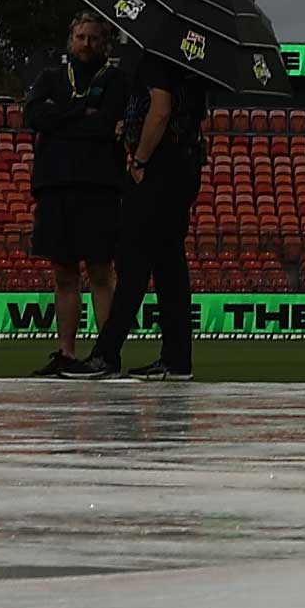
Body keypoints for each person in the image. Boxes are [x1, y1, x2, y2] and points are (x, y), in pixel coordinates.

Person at [94, 34, 211, 378]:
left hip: (159, 170)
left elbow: (160, 110)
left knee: (134, 261)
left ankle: (107, 354)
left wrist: (139, 160)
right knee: (169, 266)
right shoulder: (193, 64)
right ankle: (176, 359)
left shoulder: (158, 59)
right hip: (184, 166)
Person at [25, 13, 132, 376]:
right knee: (63, 273)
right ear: (70, 41)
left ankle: (106, 353)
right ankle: (66, 352)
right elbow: (34, 116)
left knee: (101, 271)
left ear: (105, 44)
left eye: (94, 38)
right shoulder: (51, 77)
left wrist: (61, 117)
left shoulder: (116, 80)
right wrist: (80, 112)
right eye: (81, 37)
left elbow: (105, 124)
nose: (86, 43)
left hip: (99, 186)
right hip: (54, 185)